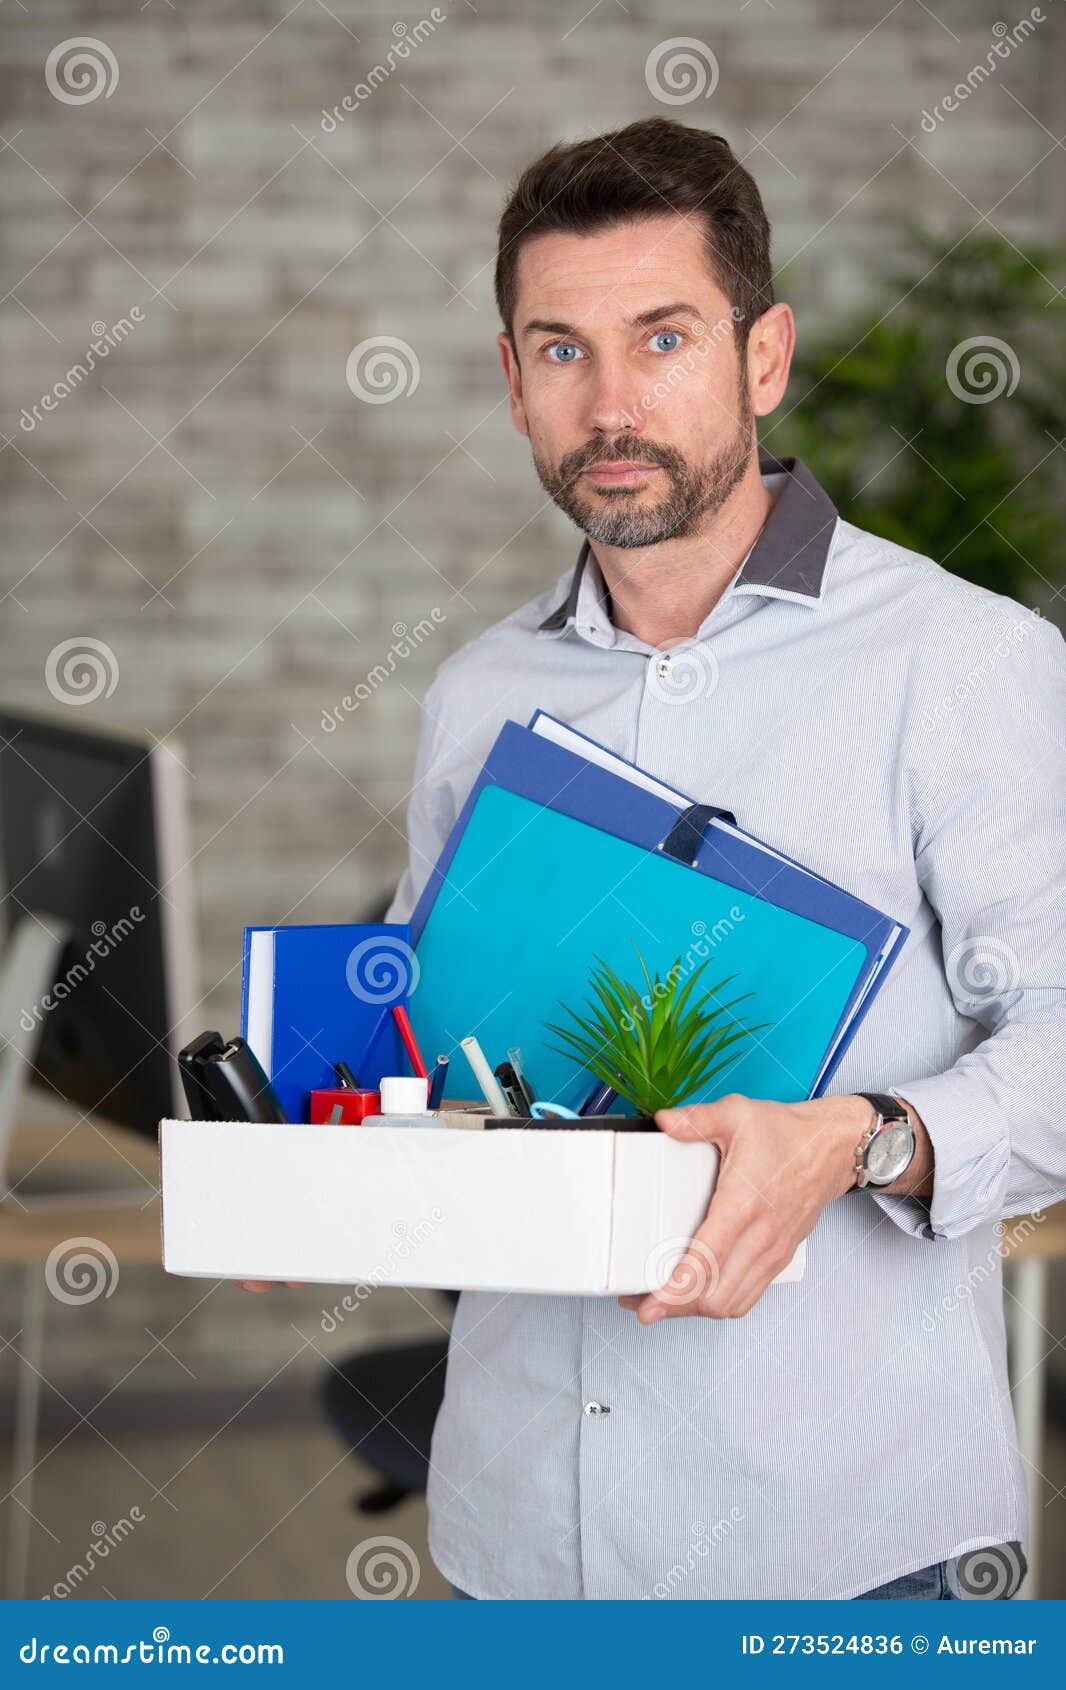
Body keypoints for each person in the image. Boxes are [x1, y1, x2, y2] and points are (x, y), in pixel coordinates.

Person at [380, 117, 1065, 1600]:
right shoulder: (476, 694)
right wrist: (318, 1165)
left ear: (761, 359)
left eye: (663, 338)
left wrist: (856, 1136)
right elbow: (435, 1052)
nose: (610, 402)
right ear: (511, 382)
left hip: (842, 1548)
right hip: (510, 1539)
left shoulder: (965, 661)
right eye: (558, 350)